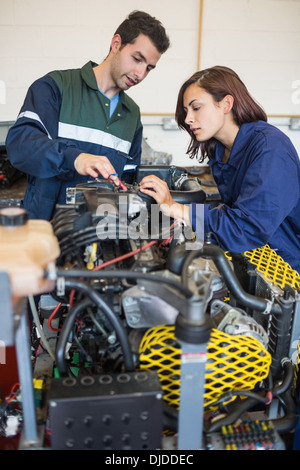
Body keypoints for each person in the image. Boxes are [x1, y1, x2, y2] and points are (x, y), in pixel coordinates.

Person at [6, 11, 170, 220]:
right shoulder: (56, 87)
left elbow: (127, 181)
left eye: (148, 68)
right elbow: (20, 144)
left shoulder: (132, 115)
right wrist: (74, 158)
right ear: (116, 43)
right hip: (45, 231)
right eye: (137, 59)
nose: (140, 74)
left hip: (100, 236)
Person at [139, 66, 300, 273]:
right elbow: (231, 212)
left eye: (196, 108)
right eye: (186, 111)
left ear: (226, 104)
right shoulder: (221, 151)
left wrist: (177, 209)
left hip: (286, 271)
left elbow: (245, 228)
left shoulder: (270, 148)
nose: (188, 119)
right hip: (252, 258)